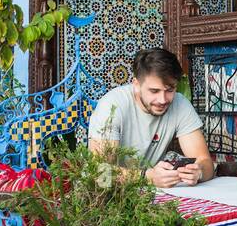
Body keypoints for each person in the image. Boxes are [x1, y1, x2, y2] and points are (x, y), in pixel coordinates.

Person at [88, 48, 215, 189]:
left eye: (170, 90)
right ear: (136, 85)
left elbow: (205, 161)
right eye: (154, 91)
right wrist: (147, 177)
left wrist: (198, 172)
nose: (162, 100)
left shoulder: (180, 104)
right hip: (109, 194)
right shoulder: (111, 106)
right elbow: (100, 174)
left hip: (151, 193)